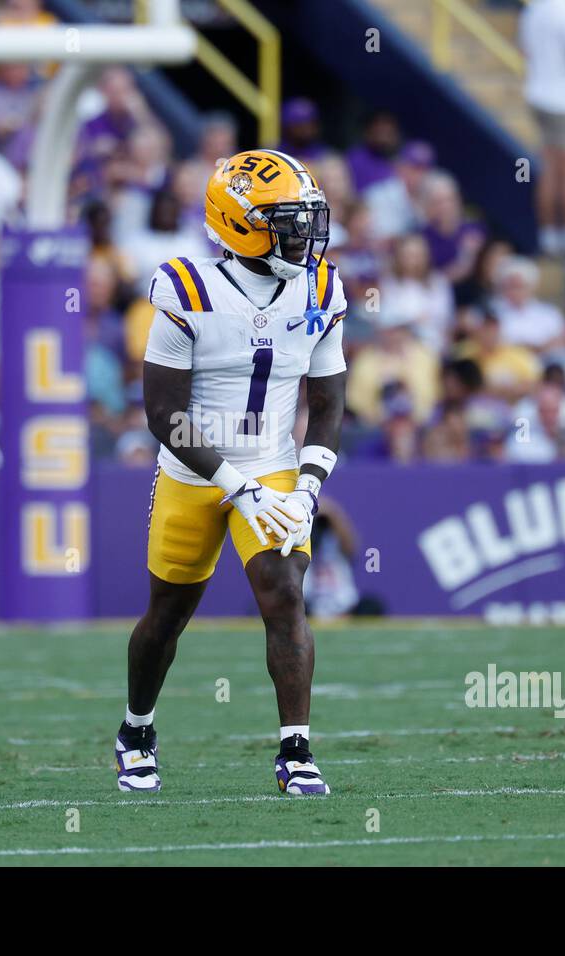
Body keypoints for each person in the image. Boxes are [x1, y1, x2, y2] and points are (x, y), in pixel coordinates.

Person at [117, 149, 347, 797]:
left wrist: (306, 486)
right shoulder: (186, 288)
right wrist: (235, 485)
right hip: (195, 472)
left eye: (306, 219)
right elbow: (164, 414)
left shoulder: (322, 287)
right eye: (288, 221)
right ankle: (136, 730)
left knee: (284, 591)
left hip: (272, 463)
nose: (305, 235)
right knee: (167, 614)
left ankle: (296, 749)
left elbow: (328, 402)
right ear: (240, 222)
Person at [520, 0, 565, 255]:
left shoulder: (534, 9)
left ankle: (549, 233)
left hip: (539, 94)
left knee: (549, 168)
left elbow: (526, 51)